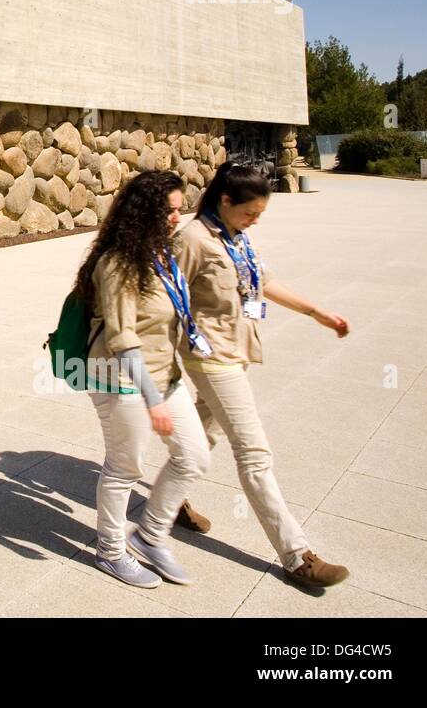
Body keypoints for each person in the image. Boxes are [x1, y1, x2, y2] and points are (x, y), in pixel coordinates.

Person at [174, 162, 351, 589]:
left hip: (237, 350)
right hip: (210, 356)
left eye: (260, 215)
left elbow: (264, 281)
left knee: (202, 436)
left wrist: (316, 313)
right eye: (250, 212)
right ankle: (296, 554)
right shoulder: (193, 238)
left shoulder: (236, 237)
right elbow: (165, 296)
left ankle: (170, 500)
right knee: (253, 453)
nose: (255, 221)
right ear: (226, 200)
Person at [75, 170, 211, 588]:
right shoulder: (118, 262)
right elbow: (121, 338)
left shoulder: (159, 255)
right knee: (124, 467)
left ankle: (150, 535)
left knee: (194, 455)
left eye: (179, 209)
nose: (177, 217)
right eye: (169, 210)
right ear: (145, 210)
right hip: (121, 379)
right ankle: (111, 551)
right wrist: (152, 399)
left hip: (161, 375)